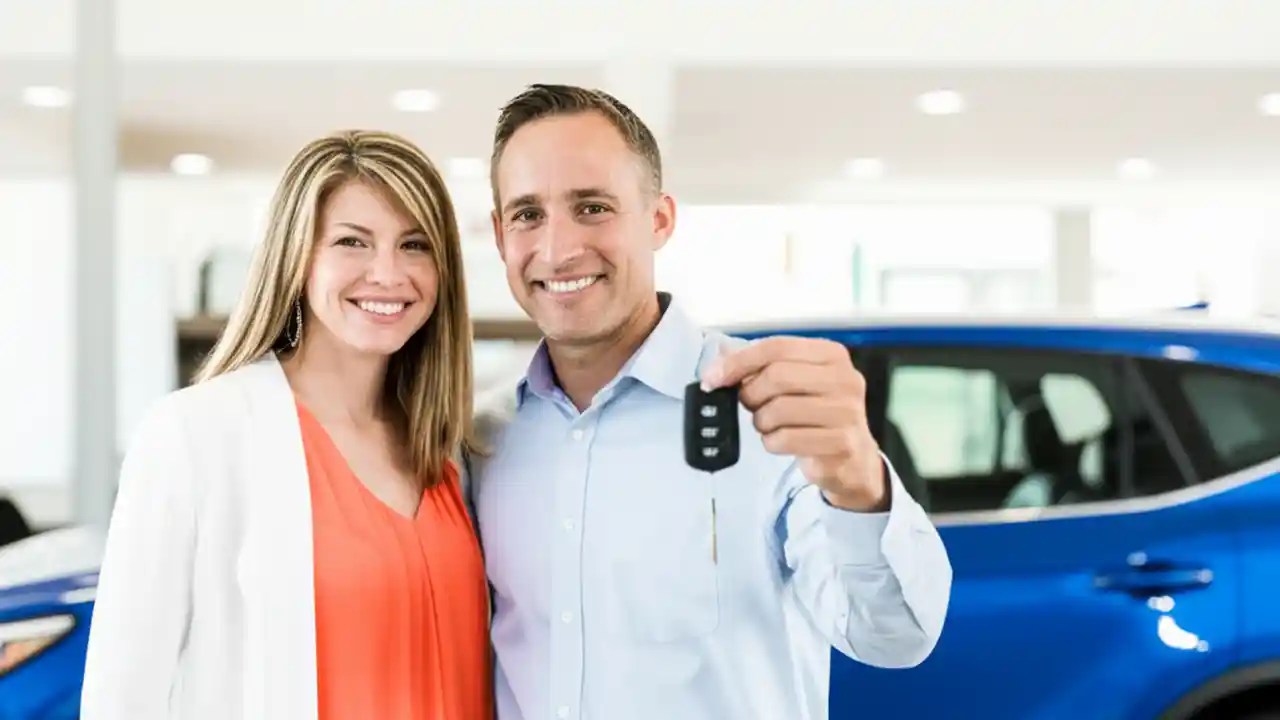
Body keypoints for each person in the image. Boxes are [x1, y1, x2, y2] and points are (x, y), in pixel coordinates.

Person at [464, 84, 953, 720]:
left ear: (659, 219)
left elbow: (894, 636)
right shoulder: (482, 441)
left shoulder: (767, 410)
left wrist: (858, 482)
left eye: (591, 207)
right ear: (501, 235)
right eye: (528, 214)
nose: (557, 249)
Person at [81, 130, 493, 720]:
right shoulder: (196, 435)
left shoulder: (451, 451)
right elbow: (122, 695)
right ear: (296, 258)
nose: (388, 272)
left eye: (415, 245)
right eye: (353, 242)